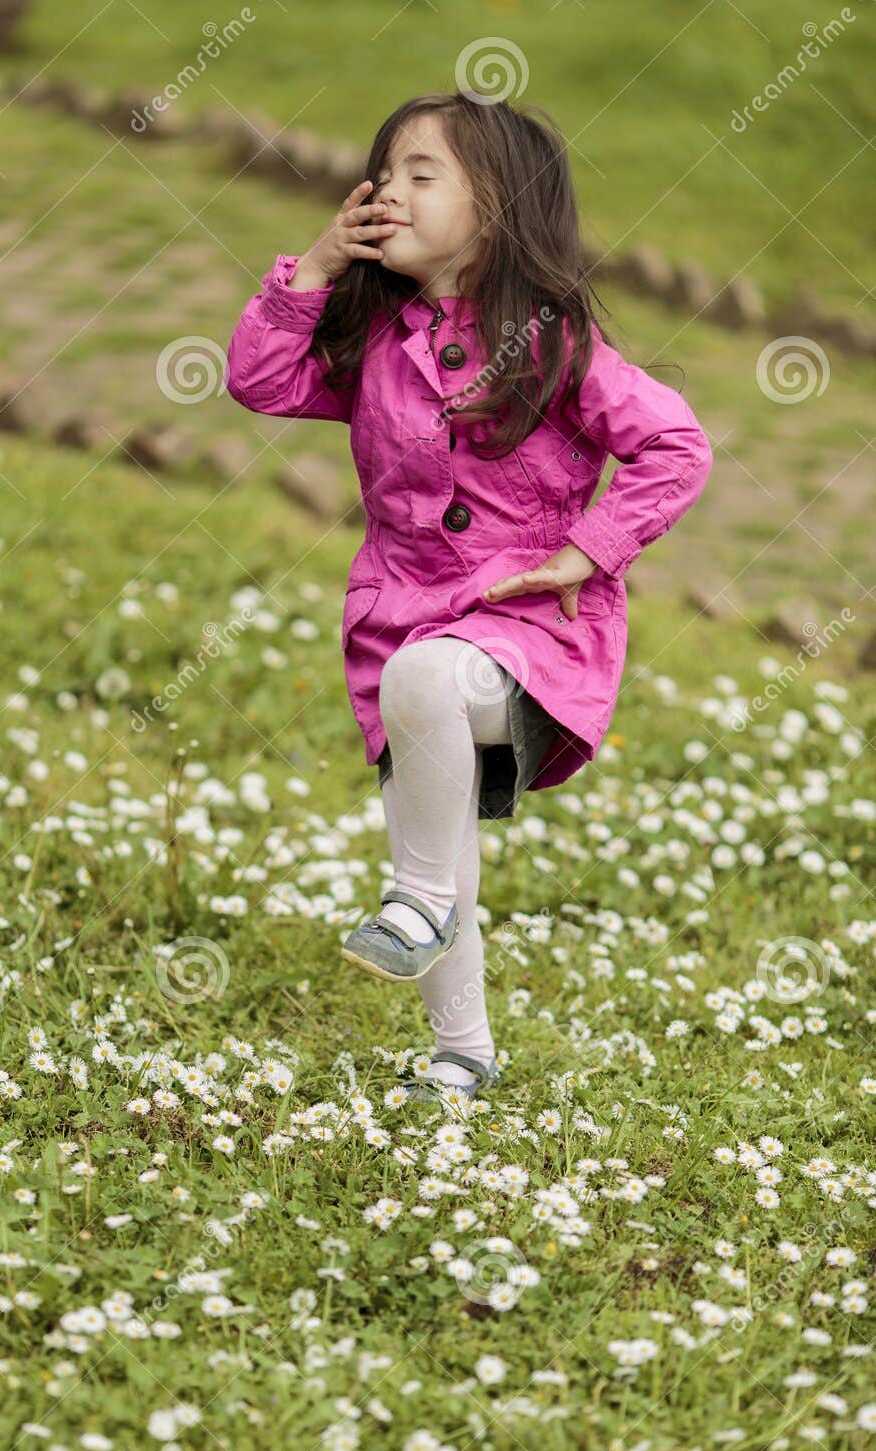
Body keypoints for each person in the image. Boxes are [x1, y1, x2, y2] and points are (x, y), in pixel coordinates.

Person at [225, 93, 713, 1102]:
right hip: (397, 629)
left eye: (421, 173)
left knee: (428, 767)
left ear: (494, 209)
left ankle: (416, 899)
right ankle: (461, 1053)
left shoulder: (549, 345)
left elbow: (676, 445)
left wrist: (593, 548)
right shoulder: (375, 346)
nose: (388, 191)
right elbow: (259, 381)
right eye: (384, 170)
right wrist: (310, 271)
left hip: (531, 626)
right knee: (435, 834)